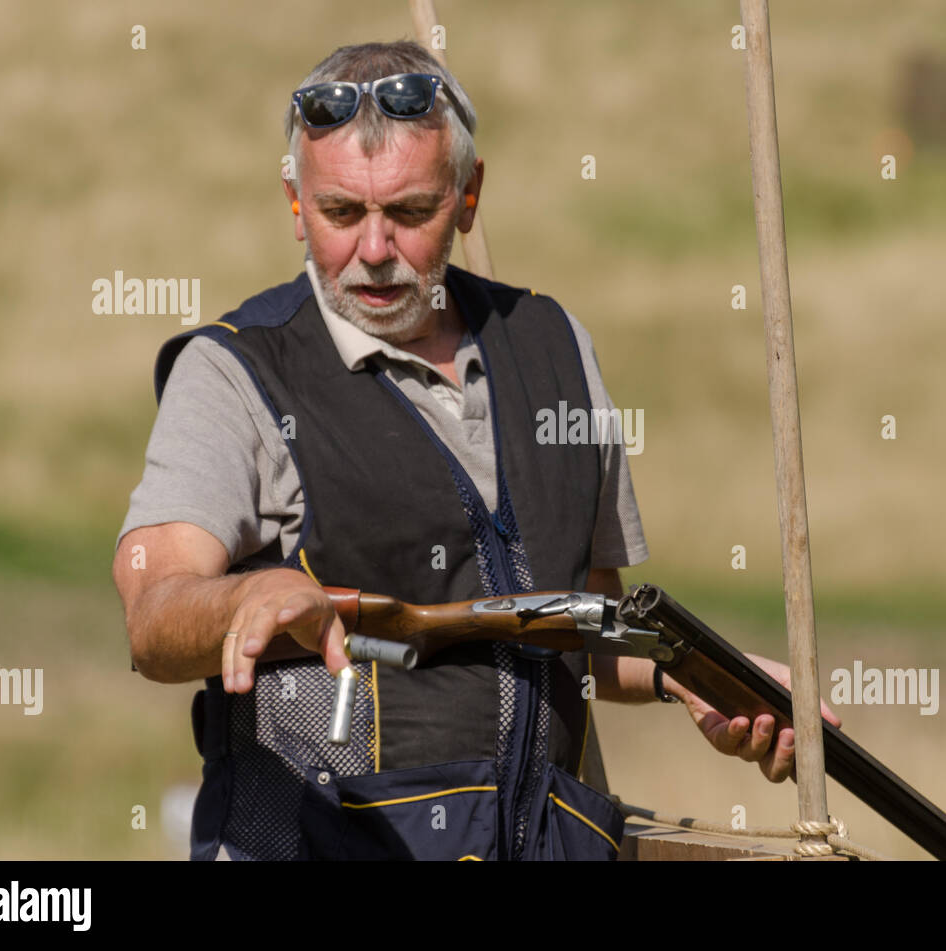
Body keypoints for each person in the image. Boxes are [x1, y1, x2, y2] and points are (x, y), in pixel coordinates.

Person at [112, 40, 835, 862]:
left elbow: (588, 625)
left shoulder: (554, 347)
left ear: (468, 196)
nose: (375, 249)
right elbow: (153, 608)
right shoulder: (235, 371)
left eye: (411, 212)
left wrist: (696, 677)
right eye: (341, 212)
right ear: (294, 198)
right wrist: (241, 603)